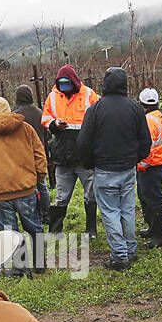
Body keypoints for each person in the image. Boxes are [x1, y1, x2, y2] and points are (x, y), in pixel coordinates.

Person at [77, 67, 151, 270]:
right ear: (125, 84)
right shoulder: (135, 108)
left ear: (105, 84)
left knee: (110, 212)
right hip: (128, 168)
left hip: (104, 169)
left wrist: (89, 163)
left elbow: (83, 142)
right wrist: (138, 157)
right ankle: (130, 249)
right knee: (127, 209)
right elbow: (145, 139)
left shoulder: (95, 110)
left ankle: (120, 256)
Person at [0, 96, 47, 275]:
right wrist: (38, 177)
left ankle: (20, 269)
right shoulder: (26, 129)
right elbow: (39, 155)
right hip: (26, 189)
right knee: (34, 226)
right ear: (8, 109)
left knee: (9, 232)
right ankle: (40, 264)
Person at [41, 65, 100, 236]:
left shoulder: (89, 95)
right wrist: (54, 125)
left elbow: (97, 119)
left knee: (91, 195)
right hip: (63, 155)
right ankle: (55, 230)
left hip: (84, 156)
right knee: (61, 196)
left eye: (67, 83)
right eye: (61, 83)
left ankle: (91, 230)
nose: (64, 86)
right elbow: (45, 117)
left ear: (74, 82)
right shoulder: (52, 96)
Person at [13, 84, 52, 223]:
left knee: (28, 188)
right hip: (39, 154)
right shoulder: (39, 112)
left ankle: (33, 214)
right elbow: (48, 135)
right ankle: (47, 213)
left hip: (22, 157)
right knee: (43, 185)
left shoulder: (15, 116)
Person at [136, 88, 162, 248]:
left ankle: (159, 235)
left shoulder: (148, 120)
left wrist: (141, 164)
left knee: (153, 199)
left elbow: (147, 146)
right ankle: (153, 229)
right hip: (156, 163)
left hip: (150, 165)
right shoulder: (158, 116)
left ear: (141, 103)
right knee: (147, 197)